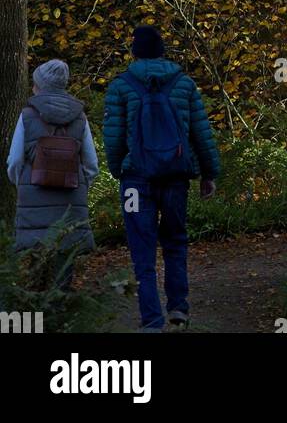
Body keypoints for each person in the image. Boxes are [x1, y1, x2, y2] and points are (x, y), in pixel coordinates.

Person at [103, 25, 220, 333]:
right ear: (162, 50)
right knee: (175, 241)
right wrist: (208, 173)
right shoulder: (184, 84)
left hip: (135, 181)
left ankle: (152, 320)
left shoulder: (121, 86)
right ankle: (178, 309)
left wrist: (120, 171)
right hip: (175, 177)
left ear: (135, 51)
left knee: (141, 250)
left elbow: (113, 139)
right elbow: (200, 133)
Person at [6, 59, 97, 281]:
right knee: (65, 256)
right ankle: (62, 305)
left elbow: (15, 160)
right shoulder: (80, 116)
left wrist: (23, 183)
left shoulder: (27, 115)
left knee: (36, 253)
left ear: (40, 85)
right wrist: (81, 184)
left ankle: (41, 310)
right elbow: (91, 164)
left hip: (34, 194)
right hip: (70, 197)